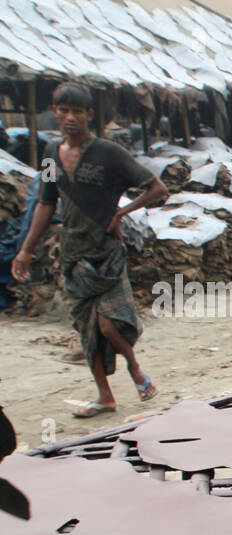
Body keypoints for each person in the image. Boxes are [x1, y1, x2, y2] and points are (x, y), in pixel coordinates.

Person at [11, 81, 169, 418]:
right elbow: (46, 202)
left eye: (78, 112)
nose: (70, 117)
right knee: (87, 330)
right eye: (64, 110)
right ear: (54, 112)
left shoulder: (108, 153)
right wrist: (25, 250)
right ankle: (104, 396)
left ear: (89, 115)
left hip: (107, 252)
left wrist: (122, 212)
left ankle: (135, 368)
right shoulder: (51, 155)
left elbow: (157, 188)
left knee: (110, 325)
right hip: (74, 256)